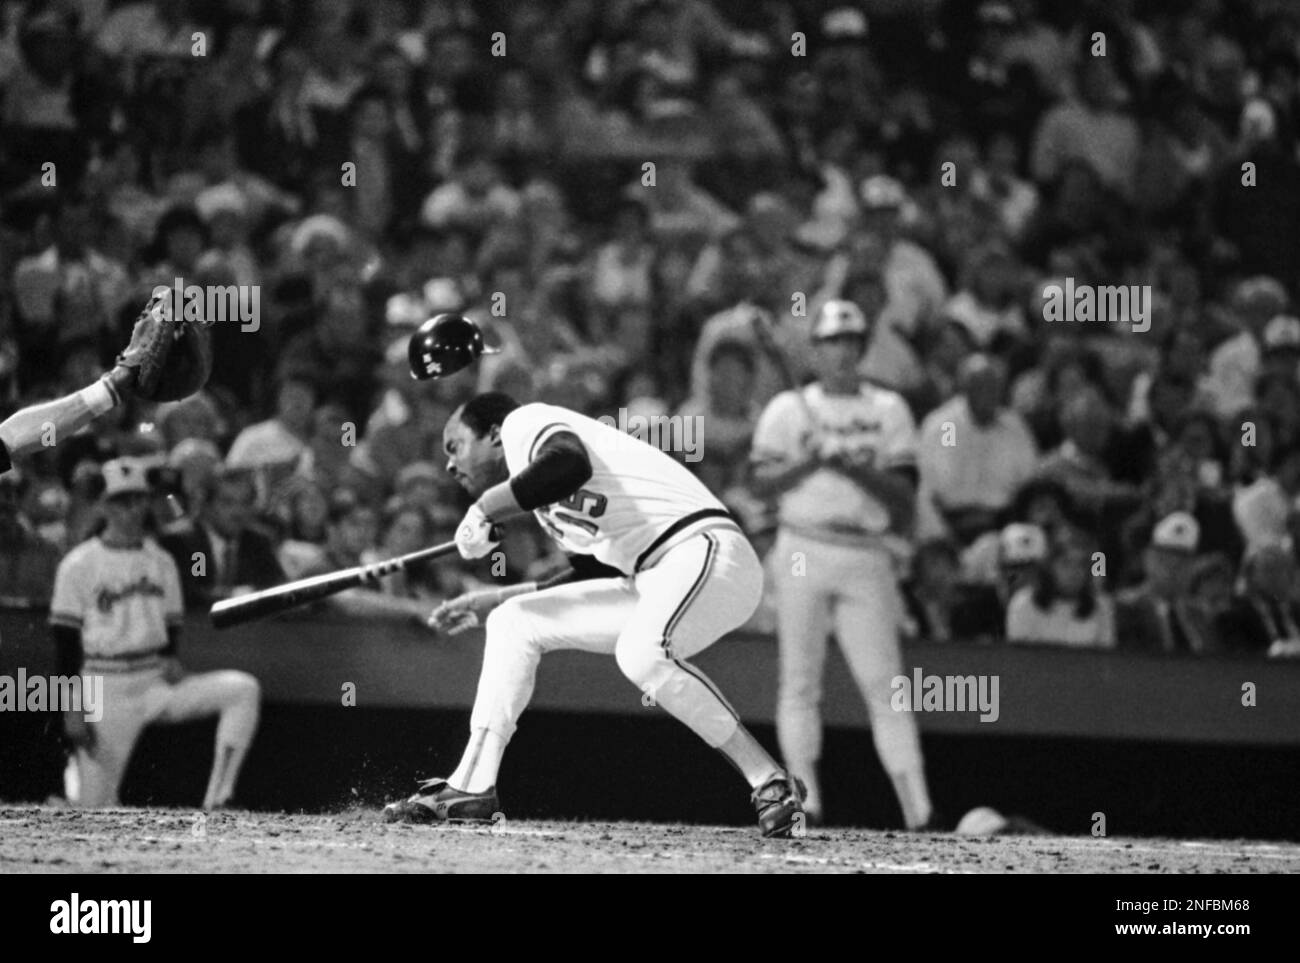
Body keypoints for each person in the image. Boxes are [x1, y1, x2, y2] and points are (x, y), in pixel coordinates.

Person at [386, 391, 806, 838]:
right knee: (515, 620)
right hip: (652, 575)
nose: (450, 464)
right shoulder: (546, 504)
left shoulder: (525, 422)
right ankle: (471, 786)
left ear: (492, 434)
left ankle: (772, 782)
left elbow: (568, 464)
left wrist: (487, 508)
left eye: (456, 446)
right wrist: (494, 596)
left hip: (706, 550)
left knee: (640, 654)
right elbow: (589, 569)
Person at [748, 299, 934, 829]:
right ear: (818, 349)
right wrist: (814, 460)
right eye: (832, 342)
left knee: (886, 685)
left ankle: (920, 810)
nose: (843, 351)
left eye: (851, 341)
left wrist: (855, 469)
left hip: (865, 551)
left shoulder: (889, 408)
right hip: (802, 545)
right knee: (800, 682)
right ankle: (806, 804)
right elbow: (758, 484)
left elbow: (904, 496)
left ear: (863, 345)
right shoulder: (787, 408)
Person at [49, 458, 261, 809]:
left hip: (154, 681)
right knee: (92, 810)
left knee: (242, 689)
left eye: (138, 500)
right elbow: (65, 643)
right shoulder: (78, 563)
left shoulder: (161, 560)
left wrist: (169, 657)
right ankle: (72, 795)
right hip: (105, 687)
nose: (132, 510)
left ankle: (218, 801)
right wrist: (71, 707)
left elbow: (173, 622)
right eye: (121, 502)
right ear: (104, 506)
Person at [0, 300, 160, 477]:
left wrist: (109, 390)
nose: (86, 366)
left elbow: (10, 438)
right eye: (78, 359)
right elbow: (23, 441)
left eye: (89, 357)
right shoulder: (45, 397)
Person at [1006, 528, 1116, 648]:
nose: (1074, 572)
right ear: (1049, 568)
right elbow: (1018, 657)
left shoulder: (1102, 606)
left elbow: (1105, 659)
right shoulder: (1023, 603)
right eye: (1066, 563)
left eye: (1081, 565)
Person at [1115, 512, 1208, 654]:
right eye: (1165, 557)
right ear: (1147, 559)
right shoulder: (1125, 608)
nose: (1174, 567)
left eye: (1183, 560)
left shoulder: (1200, 614)